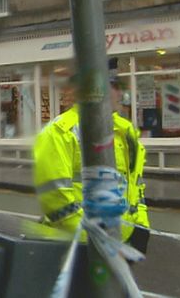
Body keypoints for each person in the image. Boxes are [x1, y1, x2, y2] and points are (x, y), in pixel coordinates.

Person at [32, 73, 150, 254]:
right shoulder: (59, 132)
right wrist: (93, 238)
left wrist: (141, 225)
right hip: (76, 246)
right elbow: (55, 197)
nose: (121, 93)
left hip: (118, 241)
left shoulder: (126, 131)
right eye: (114, 86)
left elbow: (136, 186)